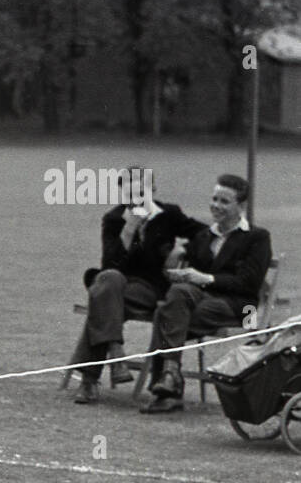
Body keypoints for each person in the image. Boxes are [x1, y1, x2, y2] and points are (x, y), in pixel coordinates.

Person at [69, 167, 203, 404]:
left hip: (149, 288)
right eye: (129, 193)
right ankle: (116, 352)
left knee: (102, 299)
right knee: (109, 281)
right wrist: (129, 229)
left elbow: (204, 234)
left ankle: (91, 378)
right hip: (116, 284)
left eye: (141, 191)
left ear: (152, 189)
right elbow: (110, 264)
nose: (136, 198)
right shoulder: (113, 219)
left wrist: (182, 249)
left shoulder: (169, 214)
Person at [141, 174, 272, 414]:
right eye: (214, 199)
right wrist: (177, 253)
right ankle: (170, 377)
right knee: (177, 298)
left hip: (245, 309)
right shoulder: (204, 237)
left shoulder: (257, 237)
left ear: (241, 206)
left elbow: (249, 283)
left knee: (165, 313)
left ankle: (169, 385)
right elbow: (179, 269)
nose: (216, 206)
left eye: (224, 201)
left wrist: (206, 278)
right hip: (203, 304)